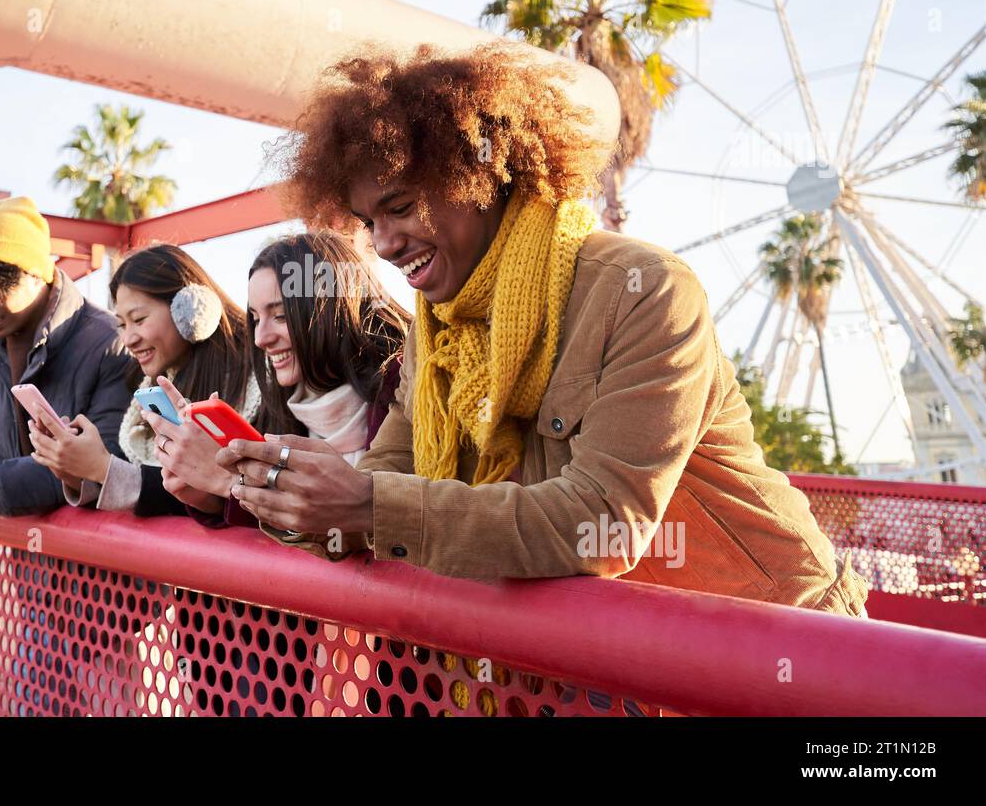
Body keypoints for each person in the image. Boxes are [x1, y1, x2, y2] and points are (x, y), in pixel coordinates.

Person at [215, 42, 870, 617]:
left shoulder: (644, 292)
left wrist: (365, 506)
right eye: (367, 222)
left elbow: (603, 526)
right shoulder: (433, 332)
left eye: (401, 207)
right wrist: (281, 492)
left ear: (482, 174)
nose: (382, 244)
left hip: (781, 646)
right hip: (614, 669)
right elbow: (383, 478)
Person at [149, 232, 409, 557]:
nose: (260, 338)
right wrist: (206, 495)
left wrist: (229, 482)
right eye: (255, 318)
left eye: (281, 315)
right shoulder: (278, 406)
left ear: (334, 308)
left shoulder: (403, 389)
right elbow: (282, 537)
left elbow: (384, 523)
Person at [0, 195, 133, 516]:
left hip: (98, 554)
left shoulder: (109, 341)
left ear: (35, 274)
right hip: (22, 556)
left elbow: (110, 463)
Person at [27, 243, 257, 516]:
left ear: (192, 307)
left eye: (139, 319)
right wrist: (75, 470)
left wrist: (101, 468)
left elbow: (218, 497)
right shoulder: (145, 392)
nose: (128, 339)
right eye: (122, 325)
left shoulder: (258, 382)